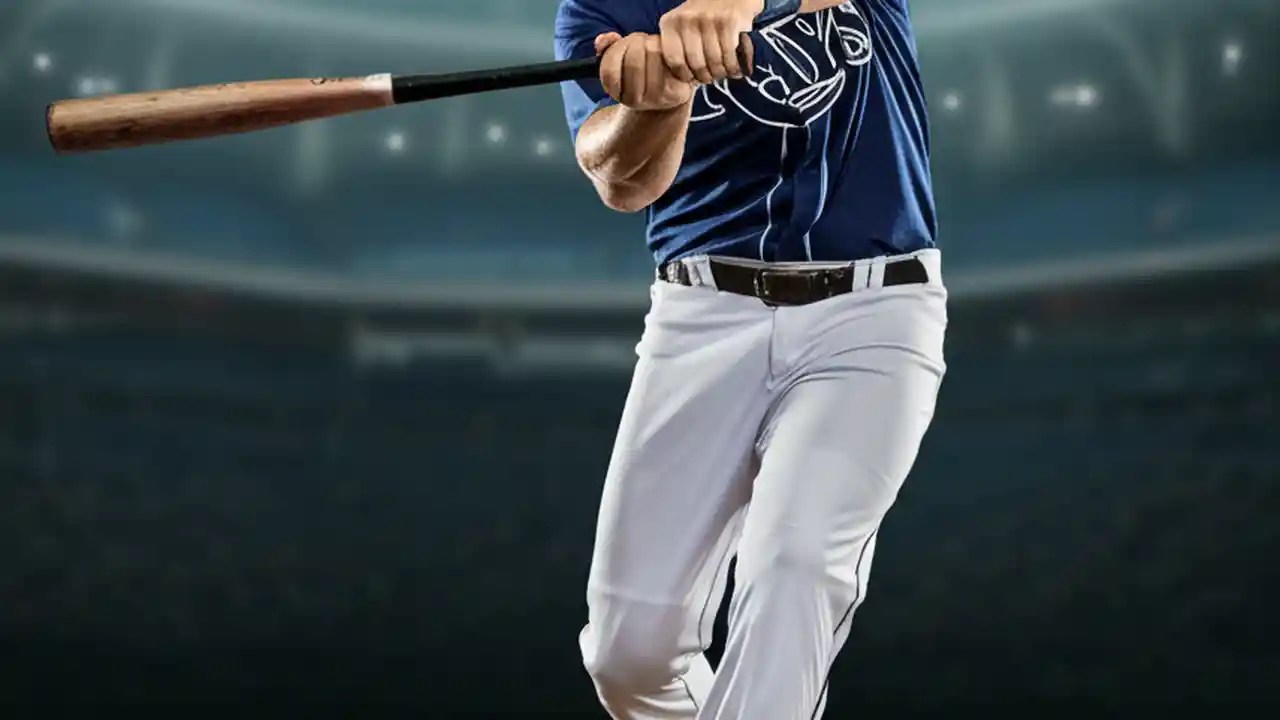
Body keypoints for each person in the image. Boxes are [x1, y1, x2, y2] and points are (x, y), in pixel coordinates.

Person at [555, 0, 946, 716]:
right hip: (701, 316)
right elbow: (618, 179)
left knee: (792, 567)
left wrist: (743, 6)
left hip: (870, 309)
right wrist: (660, 100)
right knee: (628, 657)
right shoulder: (598, 8)